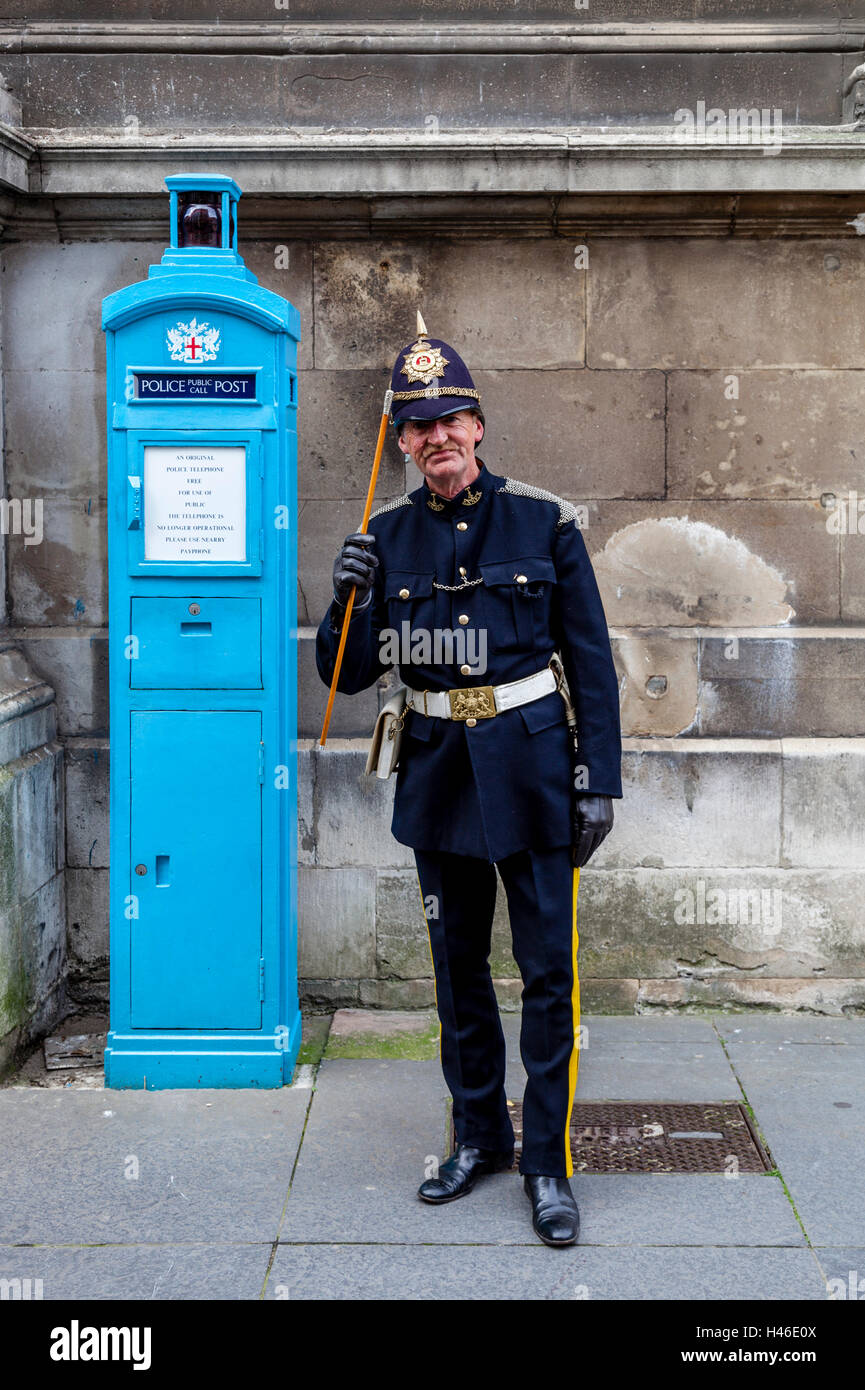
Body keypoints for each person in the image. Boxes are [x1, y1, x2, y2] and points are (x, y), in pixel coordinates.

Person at [316, 317, 622, 1246]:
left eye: (452, 417)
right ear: (402, 442)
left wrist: (597, 780)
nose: (438, 437)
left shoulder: (544, 521)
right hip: (442, 777)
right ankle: (479, 1136)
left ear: (478, 424)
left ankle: (547, 1165)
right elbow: (344, 674)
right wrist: (346, 594)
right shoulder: (387, 534)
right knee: (457, 978)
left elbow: (592, 662)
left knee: (546, 974)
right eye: (419, 424)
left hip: (533, 775)